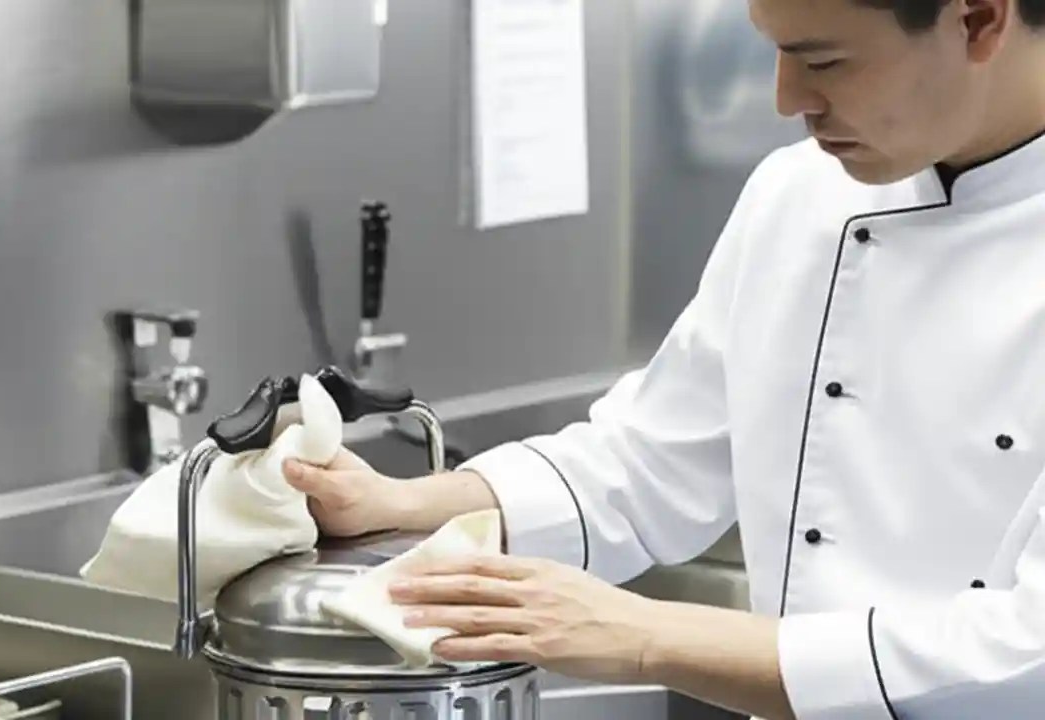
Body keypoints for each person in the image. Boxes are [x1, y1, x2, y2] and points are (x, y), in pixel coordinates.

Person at [284, 0, 1045, 718]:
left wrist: (645, 637)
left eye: (824, 61)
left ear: (978, 18)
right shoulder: (801, 197)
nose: (786, 99)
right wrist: (397, 505)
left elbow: (1025, 649)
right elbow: (650, 461)